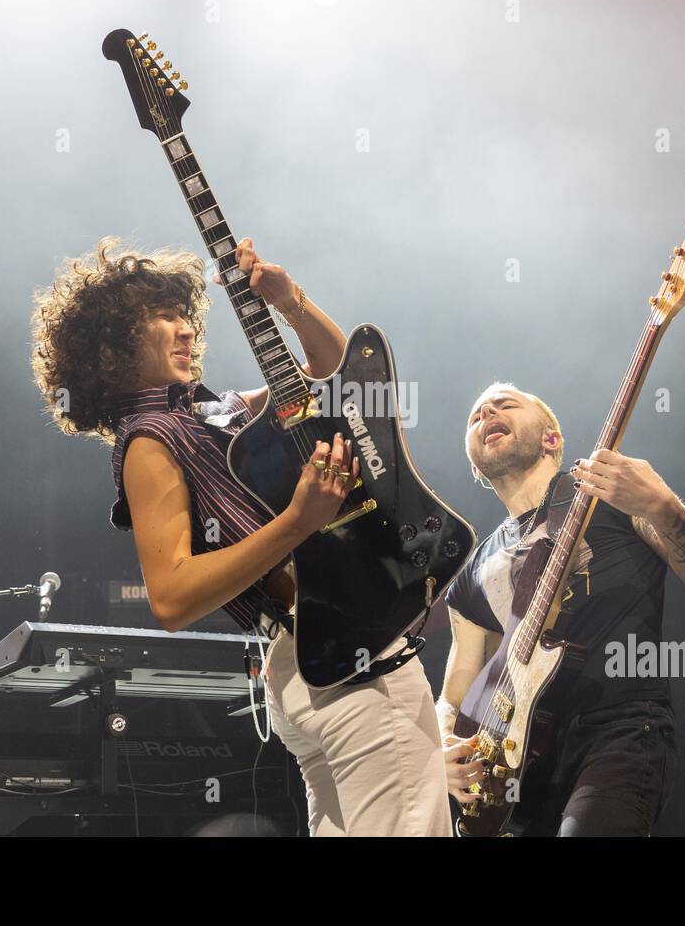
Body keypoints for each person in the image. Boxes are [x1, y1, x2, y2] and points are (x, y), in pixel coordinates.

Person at [31, 236, 450, 836]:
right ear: (113, 346)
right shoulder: (151, 437)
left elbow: (338, 382)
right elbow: (172, 598)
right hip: (345, 657)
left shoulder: (207, 414)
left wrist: (290, 301)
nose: (185, 330)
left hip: (305, 665)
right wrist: (297, 522)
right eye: (162, 316)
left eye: (185, 314)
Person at [436, 382, 685, 835]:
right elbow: (456, 692)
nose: (488, 410)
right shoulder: (472, 570)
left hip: (619, 730)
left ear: (552, 438)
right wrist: (443, 749)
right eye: (475, 415)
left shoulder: (611, 494)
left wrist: (661, 505)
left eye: (506, 403)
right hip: (518, 764)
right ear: (475, 466)